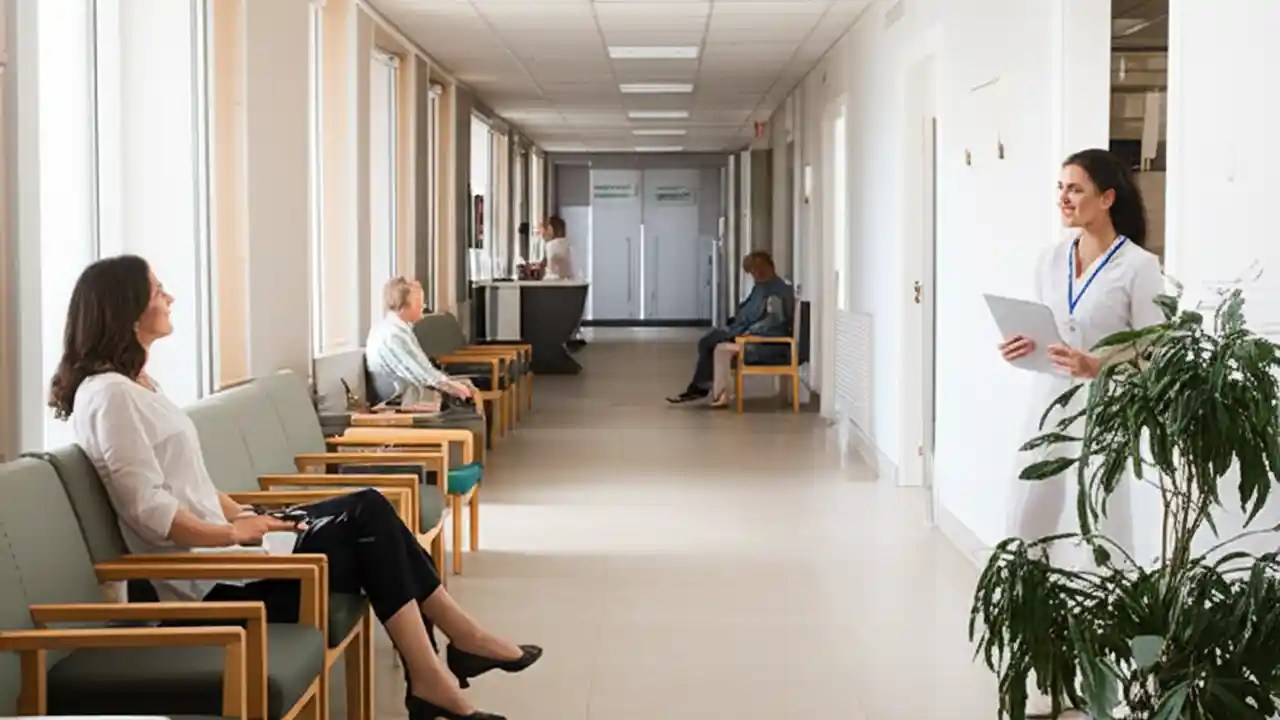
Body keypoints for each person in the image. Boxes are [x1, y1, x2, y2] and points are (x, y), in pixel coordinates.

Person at [50, 255, 540, 720]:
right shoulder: (110, 396)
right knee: (370, 528)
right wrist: (235, 533)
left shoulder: (138, 386)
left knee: (370, 511)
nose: (170, 297)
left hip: (232, 554)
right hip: (209, 584)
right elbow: (151, 512)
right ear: (127, 309)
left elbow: (191, 485)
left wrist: (247, 514)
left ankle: (443, 665)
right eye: (158, 291)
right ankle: (449, 658)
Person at [997, 149, 1163, 717]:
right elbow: (1048, 332)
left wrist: (1101, 364)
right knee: (1029, 530)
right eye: (1060, 188)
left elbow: (1155, 353)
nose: (1064, 199)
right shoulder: (1050, 259)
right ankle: (1044, 674)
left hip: (1104, 415)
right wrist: (1021, 347)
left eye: (1076, 189)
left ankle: (1119, 685)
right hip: (1047, 412)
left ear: (1107, 198)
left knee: (1106, 540)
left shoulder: (1139, 267)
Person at [667, 252, 794, 404]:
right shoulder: (760, 287)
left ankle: (704, 388)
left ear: (768, 267)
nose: (755, 275)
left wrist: (748, 332)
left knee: (711, 343)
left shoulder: (778, 291)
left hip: (764, 342)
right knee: (709, 341)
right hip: (745, 333)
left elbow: (772, 320)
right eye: (752, 272)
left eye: (757, 270)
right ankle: (704, 387)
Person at [367, 276, 474, 408]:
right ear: (403, 305)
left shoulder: (394, 328)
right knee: (464, 392)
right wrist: (453, 387)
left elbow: (422, 370)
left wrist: (452, 384)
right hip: (401, 402)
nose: (423, 306)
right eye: (419, 302)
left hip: (409, 393)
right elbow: (421, 374)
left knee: (465, 385)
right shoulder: (393, 335)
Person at [542, 216, 574, 280]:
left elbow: (550, 267)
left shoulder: (550, 245)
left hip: (553, 280)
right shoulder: (569, 244)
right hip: (568, 280)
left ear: (552, 228)